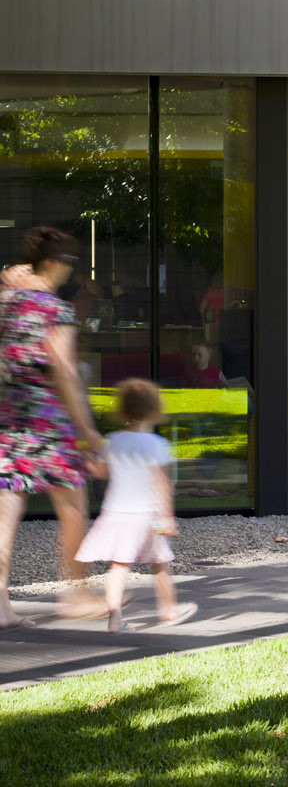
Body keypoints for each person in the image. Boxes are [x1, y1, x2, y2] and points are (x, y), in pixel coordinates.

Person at [0, 226, 106, 628]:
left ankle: (1, 604)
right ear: (51, 262)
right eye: (67, 262)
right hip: (49, 422)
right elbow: (63, 372)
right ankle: (76, 595)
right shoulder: (54, 309)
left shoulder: (8, 302)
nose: (69, 269)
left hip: (10, 418)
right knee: (74, 508)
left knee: (5, 513)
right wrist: (87, 429)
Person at [77, 378, 196, 632]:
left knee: (119, 566)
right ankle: (168, 609)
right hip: (147, 515)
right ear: (153, 410)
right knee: (160, 563)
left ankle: (115, 619)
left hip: (115, 514)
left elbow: (100, 472)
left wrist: (87, 457)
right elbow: (161, 484)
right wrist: (166, 516)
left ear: (123, 410)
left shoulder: (113, 441)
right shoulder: (157, 444)